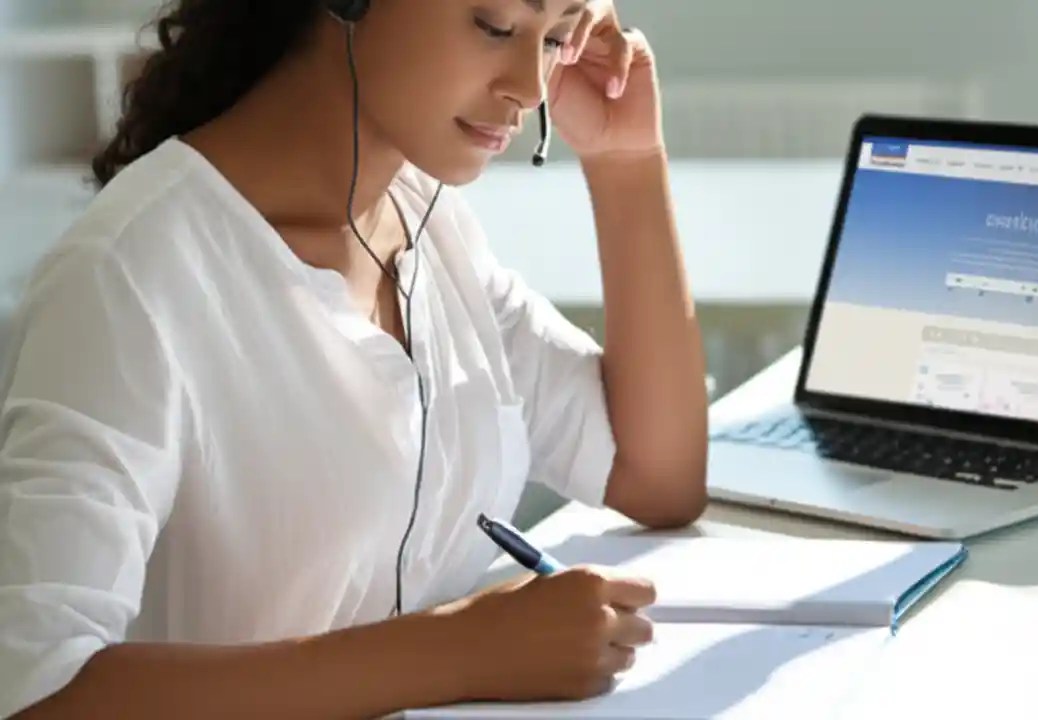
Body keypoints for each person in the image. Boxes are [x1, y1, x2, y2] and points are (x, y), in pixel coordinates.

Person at [0, 0, 709, 716]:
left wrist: (626, 158)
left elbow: (655, 474)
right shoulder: (126, 277)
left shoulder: (423, 221)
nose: (530, 85)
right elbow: (39, 695)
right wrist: (462, 650)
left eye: (556, 38)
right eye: (495, 26)